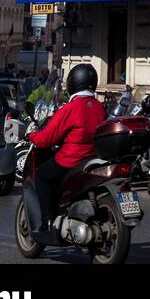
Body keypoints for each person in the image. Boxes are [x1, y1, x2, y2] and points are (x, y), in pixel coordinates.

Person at [29, 62, 102, 241]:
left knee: (43, 175)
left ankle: (47, 220)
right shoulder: (99, 107)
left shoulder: (71, 108)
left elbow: (47, 139)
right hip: (93, 159)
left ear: (73, 83)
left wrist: (31, 135)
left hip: (71, 160)